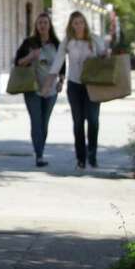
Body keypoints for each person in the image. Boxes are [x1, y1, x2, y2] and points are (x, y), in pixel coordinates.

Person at [48, 11, 108, 169]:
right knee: (78, 122)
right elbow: (58, 61)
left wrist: (101, 55)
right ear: (71, 25)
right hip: (75, 85)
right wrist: (50, 81)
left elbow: (104, 56)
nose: (79, 25)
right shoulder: (68, 41)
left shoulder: (94, 39)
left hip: (93, 85)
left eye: (81, 22)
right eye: (75, 23)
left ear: (85, 23)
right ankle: (81, 158)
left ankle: (92, 155)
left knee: (93, 121)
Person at [13, 12, 63, 167]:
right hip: (31, 88)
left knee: (44, 123)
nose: (42, 25)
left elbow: (62, 65)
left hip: (51, 89)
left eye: (45, 22)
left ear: (49, 25)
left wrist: (62, 80)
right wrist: (30, 57)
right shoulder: (29, 43)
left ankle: (40, 150)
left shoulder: (56, 43)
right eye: (40, 22)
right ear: (36, 25)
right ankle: (39, 156)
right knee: (36, 122)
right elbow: (17, 62)